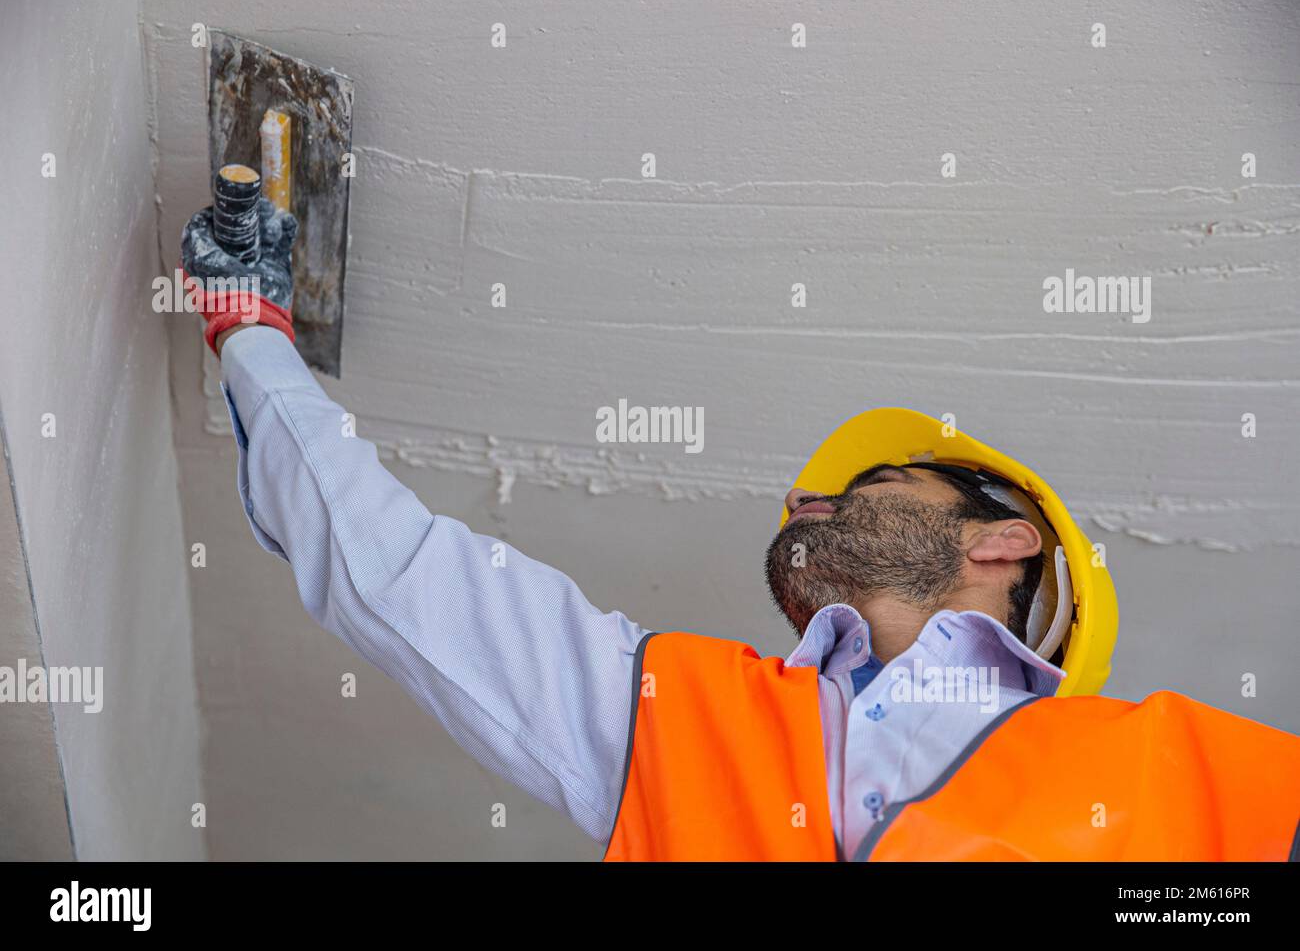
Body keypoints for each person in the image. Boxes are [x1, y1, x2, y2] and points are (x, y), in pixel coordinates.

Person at [182, 201, 1300, 862]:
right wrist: (249, 328)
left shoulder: (1176, 779)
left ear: (1001, 543)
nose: (804, 503)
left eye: (880, 480)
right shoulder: (684, 718)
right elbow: (401, 575)